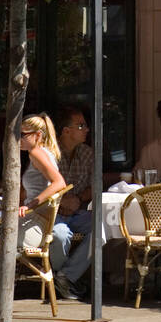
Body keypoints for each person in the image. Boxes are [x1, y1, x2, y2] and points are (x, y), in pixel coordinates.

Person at [0, 115, 68, 277]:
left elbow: (59, 183)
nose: (18, 139)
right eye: (17, 134)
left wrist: (29, 206)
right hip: (33, 224)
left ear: (38, 136)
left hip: (32, 228)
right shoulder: (42, 153)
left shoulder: (37, 153)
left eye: (23, 135)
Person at [50, 107, 96, 300]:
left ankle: (65, 276)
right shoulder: (49, 154)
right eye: (81, 125)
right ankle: (64, 281)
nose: (86, 129)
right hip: (52, 212)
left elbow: (95, 185)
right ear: (66, 131)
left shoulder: (87, 153)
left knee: (101, 226)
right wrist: (61, 202)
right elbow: (40, 187)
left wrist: (78, 199)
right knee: (59, 235)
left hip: (78, 211)